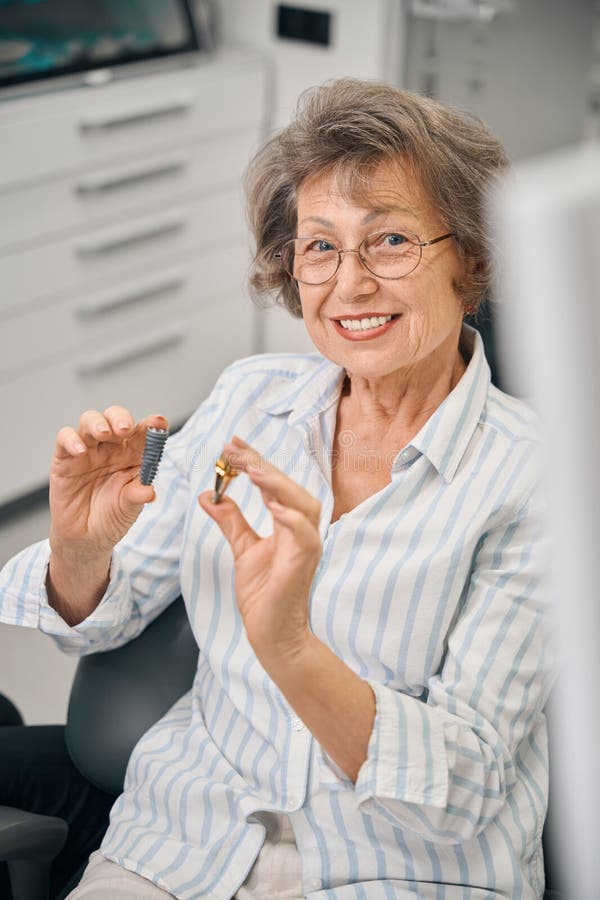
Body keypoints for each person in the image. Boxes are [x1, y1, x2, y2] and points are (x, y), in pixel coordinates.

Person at [0, 78, 552, 899]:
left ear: (471, 257)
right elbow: (99, 624)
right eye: (320, 246)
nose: (350, 283)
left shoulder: (536, 476)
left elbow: (464, 791)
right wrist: (83, 550)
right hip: (183, 843)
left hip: (397, 873)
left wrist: (289, 646)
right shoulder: (248, 401)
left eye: (391, 240)